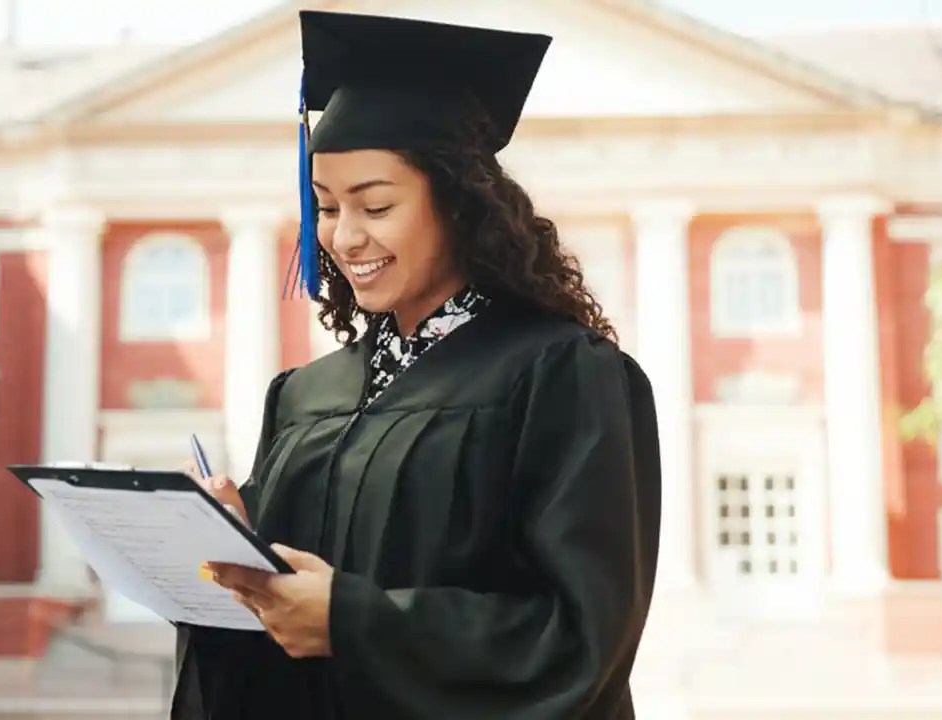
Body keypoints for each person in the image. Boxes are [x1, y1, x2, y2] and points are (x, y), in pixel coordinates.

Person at [172, 9, 661, 719]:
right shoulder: (308, 394)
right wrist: (237, 549)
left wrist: (353, 621)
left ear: (460, 206)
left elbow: (579, 642)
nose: (344, 237)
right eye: (325, 206)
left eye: (375, 204)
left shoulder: (560, 376)